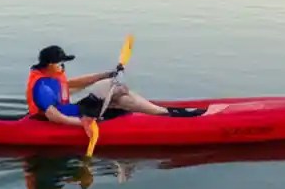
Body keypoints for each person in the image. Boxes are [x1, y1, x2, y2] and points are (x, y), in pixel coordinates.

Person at [26, 45, 204, 138]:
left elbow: (76, 83)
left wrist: (106, 73)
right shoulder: (42, 86)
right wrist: (83, 124)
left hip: (82, 110)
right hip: (81, 115)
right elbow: (53, 116)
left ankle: (167, 113)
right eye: (60, 63)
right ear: (50, 65)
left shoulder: (53, 75)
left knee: (124, 99)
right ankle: (170, 114)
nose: (63, 66)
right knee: (117, 87)